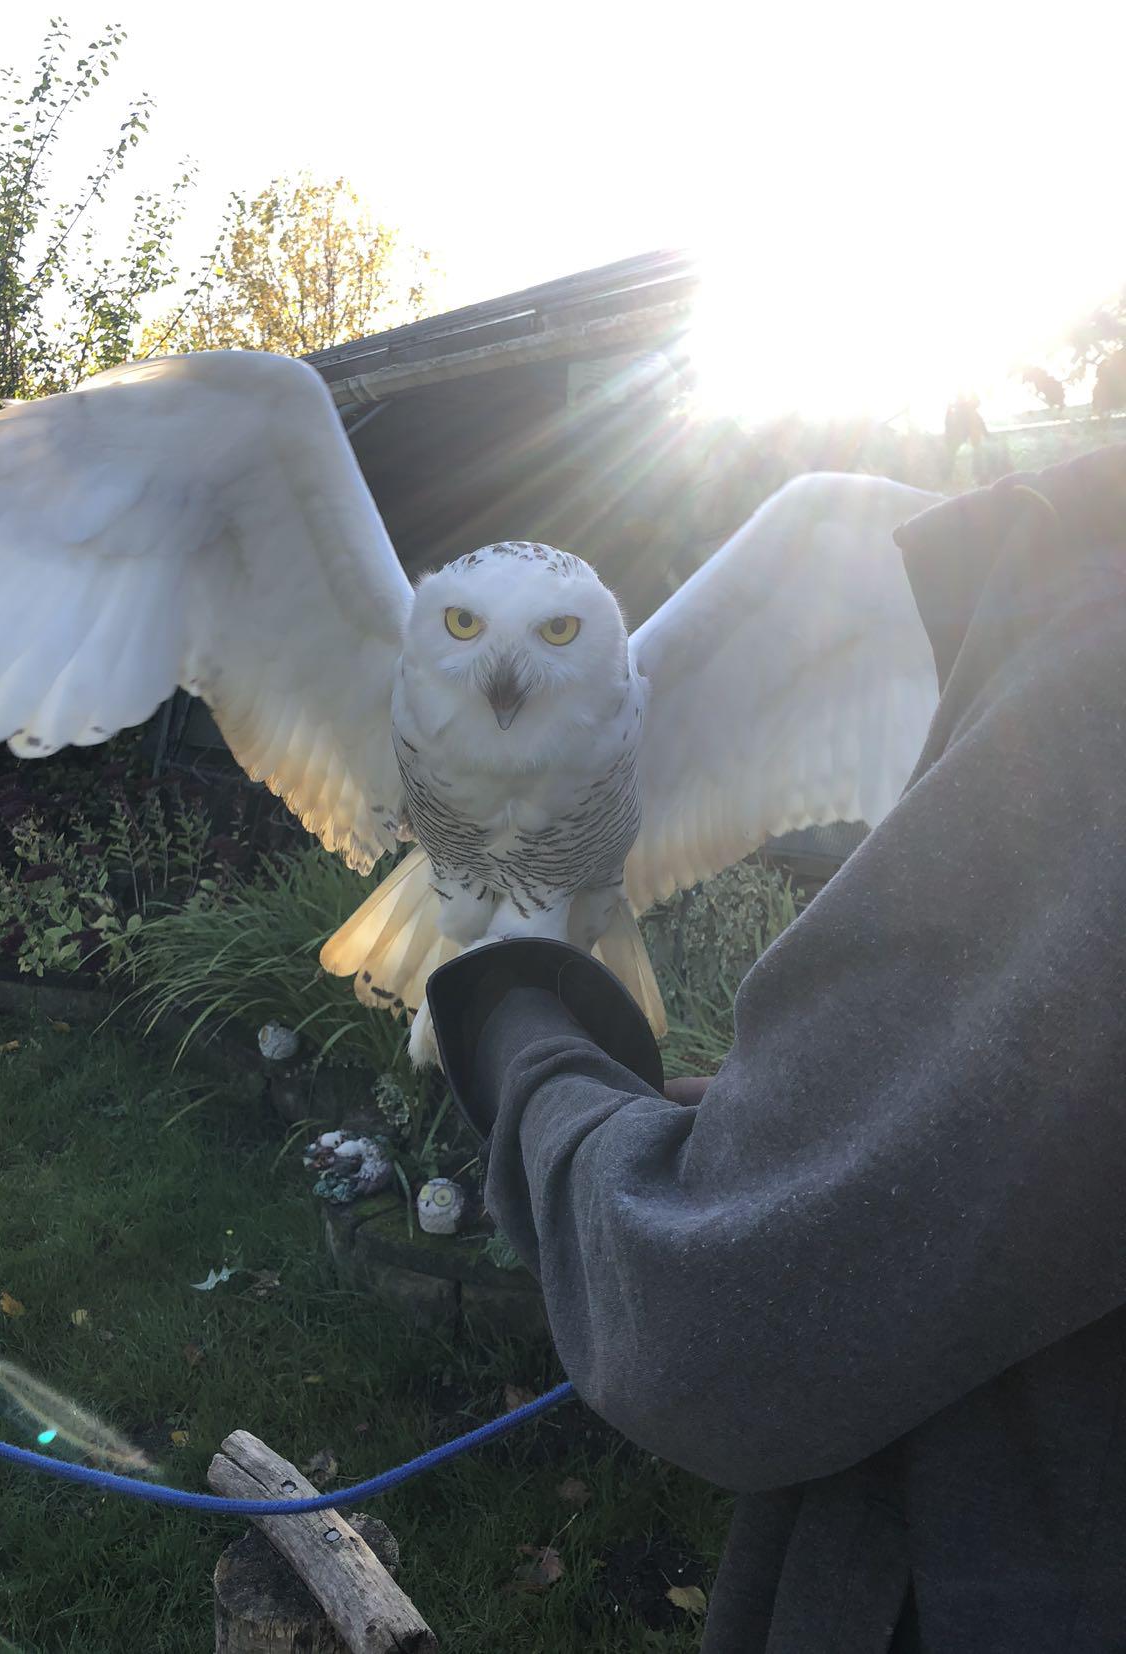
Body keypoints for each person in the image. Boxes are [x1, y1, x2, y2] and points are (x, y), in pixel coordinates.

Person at [425, 443, 1126, 1654]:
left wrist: (517, 1036)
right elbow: (1014, 1152)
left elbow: (725, 1301)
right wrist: (807, 1128)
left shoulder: (1096, 659)